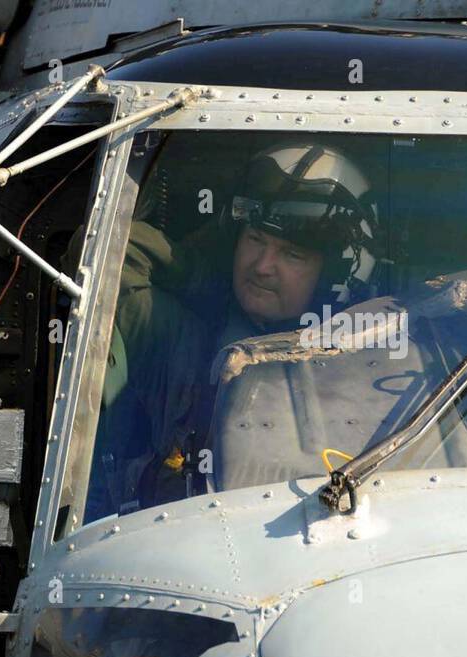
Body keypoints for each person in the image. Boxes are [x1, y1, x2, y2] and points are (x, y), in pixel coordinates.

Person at [86, 139, 379, 519]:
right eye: (255, 239)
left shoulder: (376, 360)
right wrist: (203, 269)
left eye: (292, 254)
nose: (262, 266)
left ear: (336, 273)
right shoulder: (185, 344)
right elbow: (104, 255)